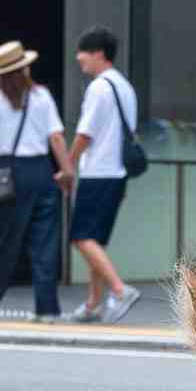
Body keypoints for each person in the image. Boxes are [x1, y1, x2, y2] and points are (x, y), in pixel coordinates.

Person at [0, 41, 71, 322]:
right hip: (42, 171)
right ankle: (47, 309)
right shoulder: (42, 96)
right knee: (44, 243)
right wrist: (67, 171)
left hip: (6, 173)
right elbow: (56, 138)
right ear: (25, 69)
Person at [61, 24, 144, 324]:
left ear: (98, 54)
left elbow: (85, 134)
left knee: (82, 237)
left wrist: (68, 165)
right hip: (117, 174)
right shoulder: (125, 87)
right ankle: (93, 304)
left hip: (98, 172)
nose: (80, 62)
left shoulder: (99, 88)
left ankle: (120, 291)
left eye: (83, 57)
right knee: (95, 239)